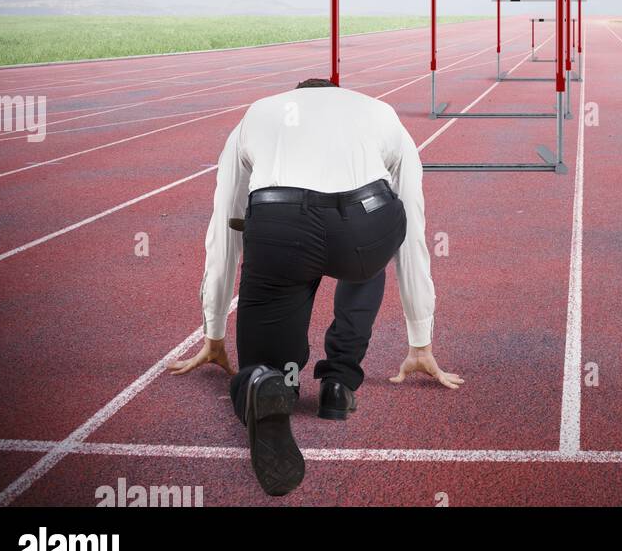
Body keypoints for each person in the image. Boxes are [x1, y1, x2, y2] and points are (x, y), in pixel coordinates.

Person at [169, 77, 463, 496]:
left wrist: (214, 331)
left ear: (295, 94)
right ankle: (339, 383)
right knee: (373, 250)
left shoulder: (258, 113)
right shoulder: (380, 112)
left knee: (267, 357)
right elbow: (413, 226)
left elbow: (225, 223)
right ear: (335, 92)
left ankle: (271, 382)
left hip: (281, 226)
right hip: (365, 229)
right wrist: (420, 340)